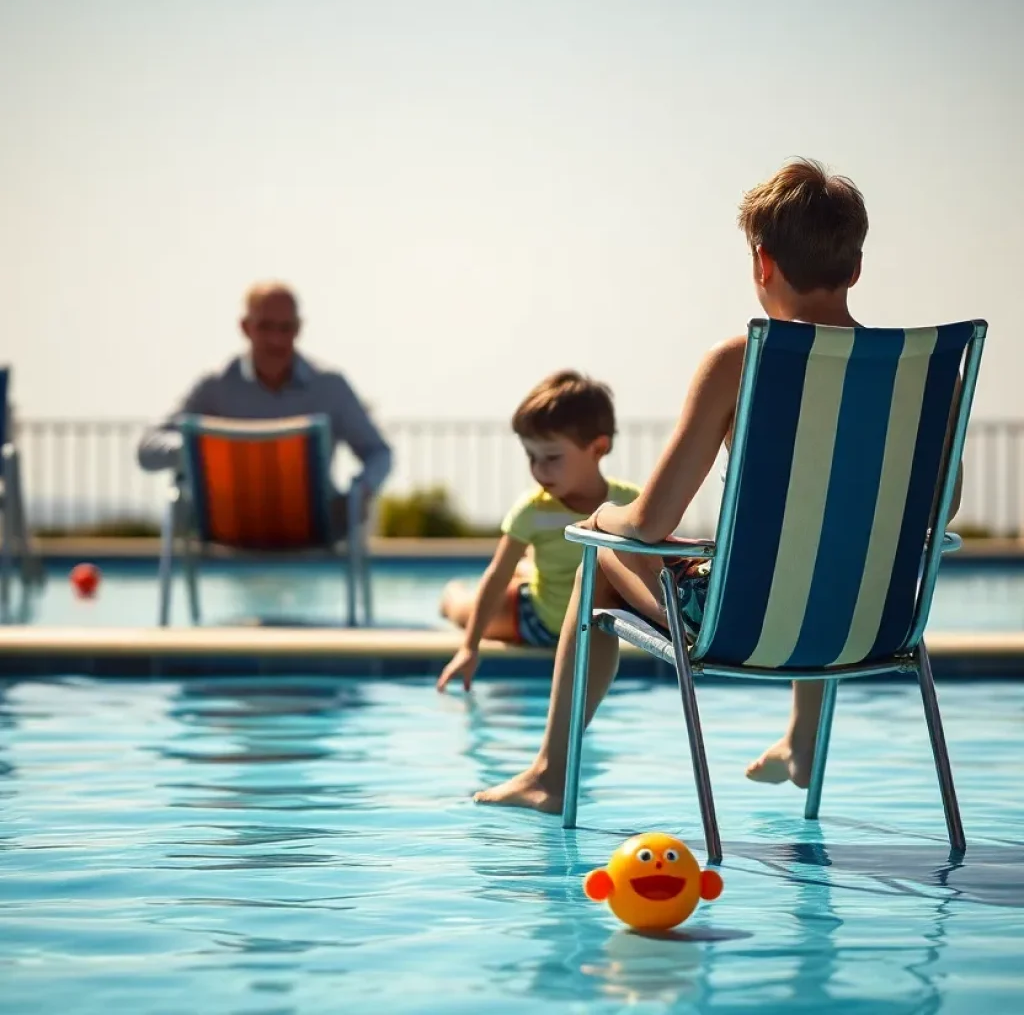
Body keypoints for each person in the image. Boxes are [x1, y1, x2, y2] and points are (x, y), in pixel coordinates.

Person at [474, 158, 964, 812]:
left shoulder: (740, 363)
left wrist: (606, 519)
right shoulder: (928, 376)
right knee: (827, 549)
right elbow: (947, 506)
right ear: (855, 268)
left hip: (740, 623)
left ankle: (547, 772)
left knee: (600, 550)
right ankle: (802, 739)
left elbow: (648, 524)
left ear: (762, 265)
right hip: (876, 621)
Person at [436, 370, 640, 691]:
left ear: (598, 449)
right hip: (538, 621)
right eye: (532, 457)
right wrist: (469, 647)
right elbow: (496, 574)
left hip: (599, 630)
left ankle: (529, 566)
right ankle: (452, 594)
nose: (538, 469)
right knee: (468, 609)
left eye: (552, 457)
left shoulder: (629, 503)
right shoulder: (534, 511)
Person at [137, 282, 392, 533]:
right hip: (225, 528)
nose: (276, 339)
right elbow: (148, 448)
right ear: (245, 327)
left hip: (312, 528)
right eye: (265, 326)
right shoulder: (215, 386)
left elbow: (379, 452)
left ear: (299, 329)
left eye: (286, 328)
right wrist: (197, 450)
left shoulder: (329, 387)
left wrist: (363, 488)